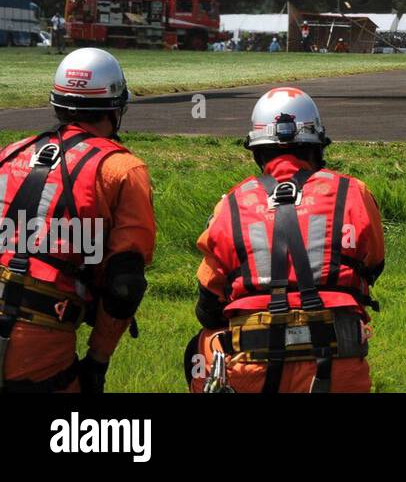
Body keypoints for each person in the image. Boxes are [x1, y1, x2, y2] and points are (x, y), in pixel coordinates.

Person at [188, 87, 385, 393]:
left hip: (251, 368)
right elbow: (373, 266)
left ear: (257, 150)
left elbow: (208, 306)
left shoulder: (231, 204)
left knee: (199, 346)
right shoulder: (353, 193)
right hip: (338, 368)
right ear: (317, 146)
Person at [0, 48, 155, 392]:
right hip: (41, 334)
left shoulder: (10, 153)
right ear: (115, 107)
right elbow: (124, 285)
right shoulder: (122, 170)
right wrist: (97, 361)